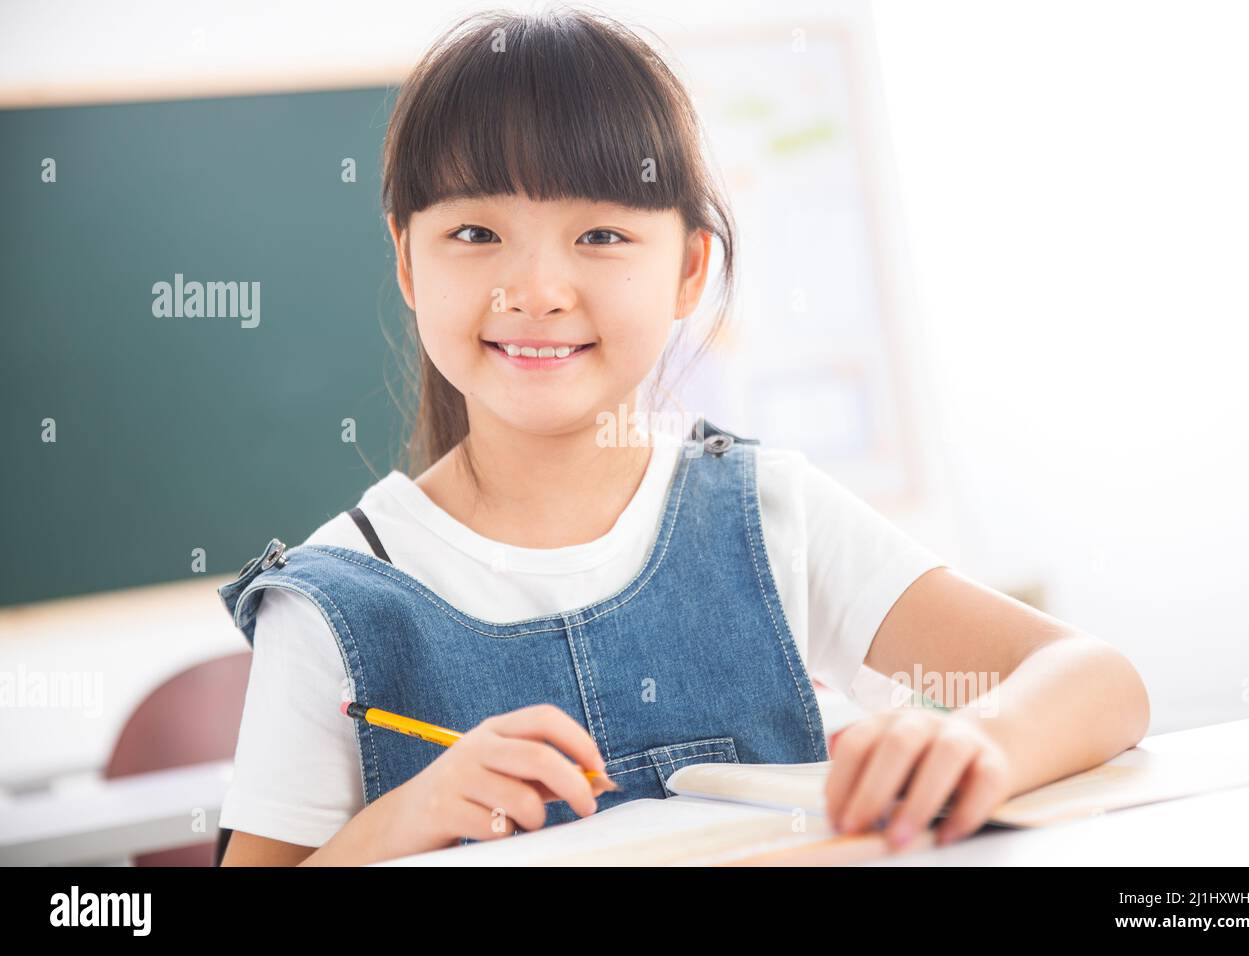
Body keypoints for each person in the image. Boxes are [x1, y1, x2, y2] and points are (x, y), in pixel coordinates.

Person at [217, 8, 1149, 867]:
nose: (535, 289)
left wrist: (975, 739)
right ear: (408, 262)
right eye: (474, 230)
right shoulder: (334, 603)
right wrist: (395, 827)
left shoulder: (768, 512)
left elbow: (1098, 681)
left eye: (601, 237)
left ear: (689, 270)